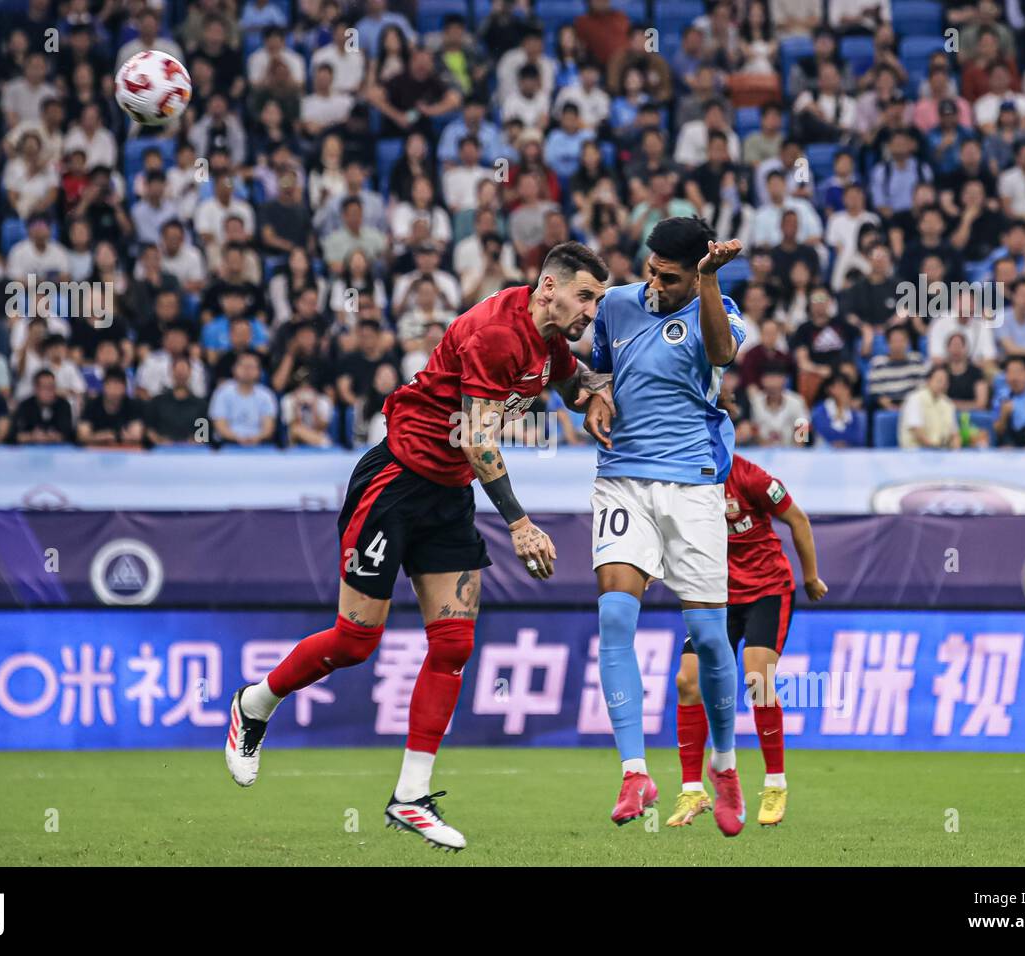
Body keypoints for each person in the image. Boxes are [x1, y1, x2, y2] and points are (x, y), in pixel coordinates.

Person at [223, 243, 613, 852]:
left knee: (454, 643)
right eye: (585, 295)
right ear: (548, 288)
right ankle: (255, 704)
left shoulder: (547, 338)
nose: (592, 309)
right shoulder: (496, 333)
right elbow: (478, 440)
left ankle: (410, 797)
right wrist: (518, 522)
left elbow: (569, 381)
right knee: (356, 641)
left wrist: (599, 393)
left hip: (450, 496)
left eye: (597, 299)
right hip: (396, 485)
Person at [582, 216, 749, 834]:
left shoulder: (722, 312)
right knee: (615, 615)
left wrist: (707, 281)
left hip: (693, 484)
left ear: (697, 271)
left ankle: (725, 768)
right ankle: (633, 770)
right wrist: (596, 395)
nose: (655, 281)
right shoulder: (618, 305)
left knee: (708, 639)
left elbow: (723, 355)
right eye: (651, 268)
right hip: (621, 476)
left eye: (670, 275)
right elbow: (595, 371)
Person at [668, 455, 827, 829]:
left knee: (758, 681)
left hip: (765, 591)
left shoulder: (750, 477)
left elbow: (798, 519)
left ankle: (775, 784)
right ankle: (692, 790)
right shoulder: (681, 478)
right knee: (686, 681)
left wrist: (811, 577)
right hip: (714, 596)